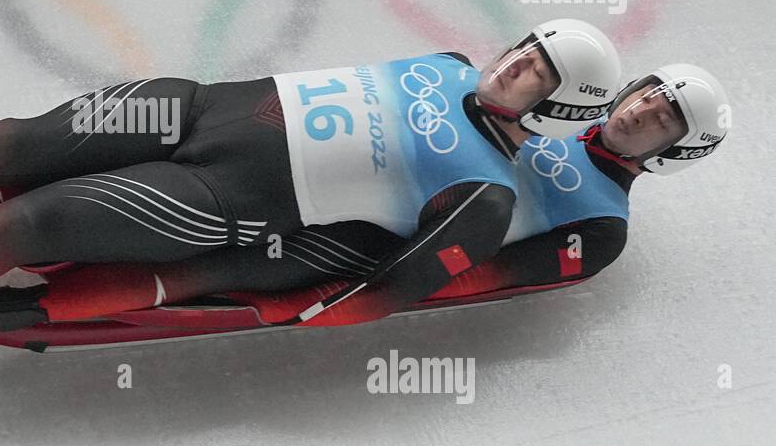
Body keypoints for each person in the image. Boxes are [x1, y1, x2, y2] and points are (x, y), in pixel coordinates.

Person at [0, 20, 621, 332]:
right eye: (525, 47)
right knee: (10, 144)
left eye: (537, 71)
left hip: (228, 203)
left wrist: (298, 302)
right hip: (197, 108)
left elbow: (401, 284)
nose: (513, 65)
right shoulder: (454, 61)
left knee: (40, 222)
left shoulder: (488, 195)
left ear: (559, 105)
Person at [39, 61, 729, 331]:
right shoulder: (562, 101)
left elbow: (475, 277)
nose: (641, 110)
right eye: (647, 93)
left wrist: (350, 295)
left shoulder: (602, 227)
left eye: (663, 117)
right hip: (319, 158)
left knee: (206, 270)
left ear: (674, 150)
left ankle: (23, 305)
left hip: (368, 240)